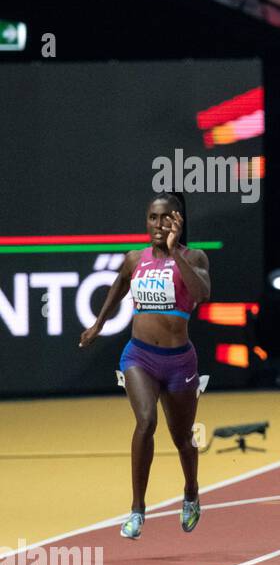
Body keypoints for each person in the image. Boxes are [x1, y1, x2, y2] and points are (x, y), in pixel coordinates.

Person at [79, 193, 212, 540]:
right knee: (146, 421)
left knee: (182, 437)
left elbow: (201, 293)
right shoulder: (135, 258)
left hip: (179, 360)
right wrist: (98, 324)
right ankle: (137, 509)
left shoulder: (194, 257)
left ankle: (191, 492)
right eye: (153, 218)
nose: (158, 224)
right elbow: (119, 286)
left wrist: (175, 251)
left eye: (166, 218)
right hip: (139, 357)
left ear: (178, 221)